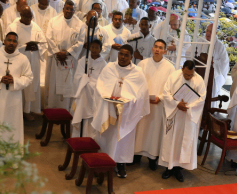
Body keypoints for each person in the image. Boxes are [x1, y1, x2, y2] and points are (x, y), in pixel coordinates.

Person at [92, 45, 149, 178]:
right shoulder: (109, 67)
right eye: (120, 54)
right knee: (107, 136)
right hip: (108, 108)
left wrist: (128, 101)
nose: (122, 57)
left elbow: (141, 94)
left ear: (131, 57)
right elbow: (100, 86)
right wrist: (108, 97)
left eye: (126, 55)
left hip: (126, 112)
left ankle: (120, 163)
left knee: (123, 139)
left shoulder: (137, 72)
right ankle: (102, 161)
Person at [0, 32, 33, 143]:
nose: (11, 43)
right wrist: (0, 79)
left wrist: (15, 80)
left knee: (11, 124)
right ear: (4, 41)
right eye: (9, 40)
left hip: (13, 99)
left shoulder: (23, 59)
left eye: (14, 41)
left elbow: (29, 77)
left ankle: (10, 150)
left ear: (17, 44)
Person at [158, 59, 207, 182]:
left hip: (188, 115)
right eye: (186, 74)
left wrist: (188, 107)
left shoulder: (199, 80)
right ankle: (168, 168)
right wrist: (176, 104)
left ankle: (179, 168)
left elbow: (202, 98)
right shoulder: (174, 76)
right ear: (182, 70)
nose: (188, 77)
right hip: (175, 113)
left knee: (183, 142)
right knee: (171, 140)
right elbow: (166, 92)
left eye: (191, 74)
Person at [134, 40, 176, 170]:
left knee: (154, 131)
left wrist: (161, 98)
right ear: (152, 49)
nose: (157, 50)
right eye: (156, 47)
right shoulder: (142, 64)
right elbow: (136, 83)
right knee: (140, 129)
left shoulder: (170, 68)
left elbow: (171, 89)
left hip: (159, 105)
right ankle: (136, 155)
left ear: (165, 51)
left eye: (161, 48)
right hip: (143, 103)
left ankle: (153, 158)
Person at [42, 0, 83, 110]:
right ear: (63, 8)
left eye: (72, 9)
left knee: (68, 82)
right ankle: (52, 107)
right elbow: (49, 37)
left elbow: (81, 41)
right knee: (53, 82)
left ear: (74, 10)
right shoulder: (54, 21)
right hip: (56, 58)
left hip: (70, 58)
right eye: (67, 8)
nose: (69, 11)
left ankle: (66, 108)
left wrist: (67, 52)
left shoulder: (79, 24)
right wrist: (56, 51)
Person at [7, 5, 46, 117]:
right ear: (20, 15)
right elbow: (8, 45)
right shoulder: (13, 28)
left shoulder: (36, 27)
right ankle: (17, 111)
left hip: (33, 61)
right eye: (26, 16)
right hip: (18, 62)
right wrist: (24, 47)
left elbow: (43, 43)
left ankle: (28, 110)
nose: (28, 19)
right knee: (19, 85)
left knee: (31, 85)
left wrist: (37, 48)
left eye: (30, 17)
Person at [70, 39, 107, 138]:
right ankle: (77, 136)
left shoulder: (104, 64)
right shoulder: (83, 60)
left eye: (97, 47)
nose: (94, 50)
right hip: (84, 90)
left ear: (100, 49)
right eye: (92, 47)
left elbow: (103, 80)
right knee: (84, 89)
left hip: (95, 92)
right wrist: (85, 79)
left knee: (87, 87)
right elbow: (78, 76)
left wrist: (90, 82)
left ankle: (91, 137)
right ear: (90, 48)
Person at [195, 23, 230, 97]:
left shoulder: (220, 46)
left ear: (215, 33)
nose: (208, 33)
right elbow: (190, 53)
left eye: (211, 32)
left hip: (212, 76)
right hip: (198, 72)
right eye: (207, 31)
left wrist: (213, 62)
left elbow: (224, 63)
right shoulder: (200, 40)